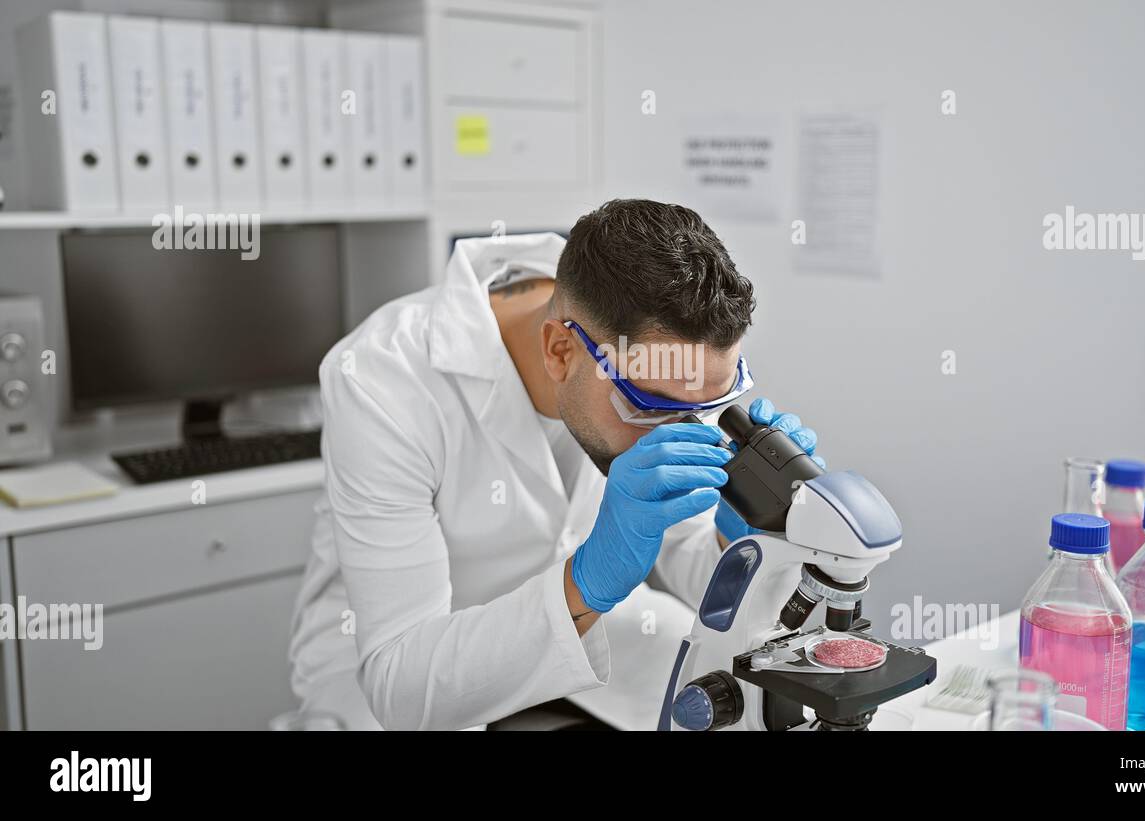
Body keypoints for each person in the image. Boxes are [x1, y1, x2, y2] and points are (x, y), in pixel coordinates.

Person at [288, 199, 822, 730]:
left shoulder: (662, 365)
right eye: (651, 408)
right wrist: (589, 580)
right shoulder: (382, 380)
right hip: (410, 664)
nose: (682, 430)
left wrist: (747, 537)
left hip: (599, 630)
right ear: (561, 351)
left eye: (706, 406)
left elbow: (695, 567)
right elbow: (401, 687)